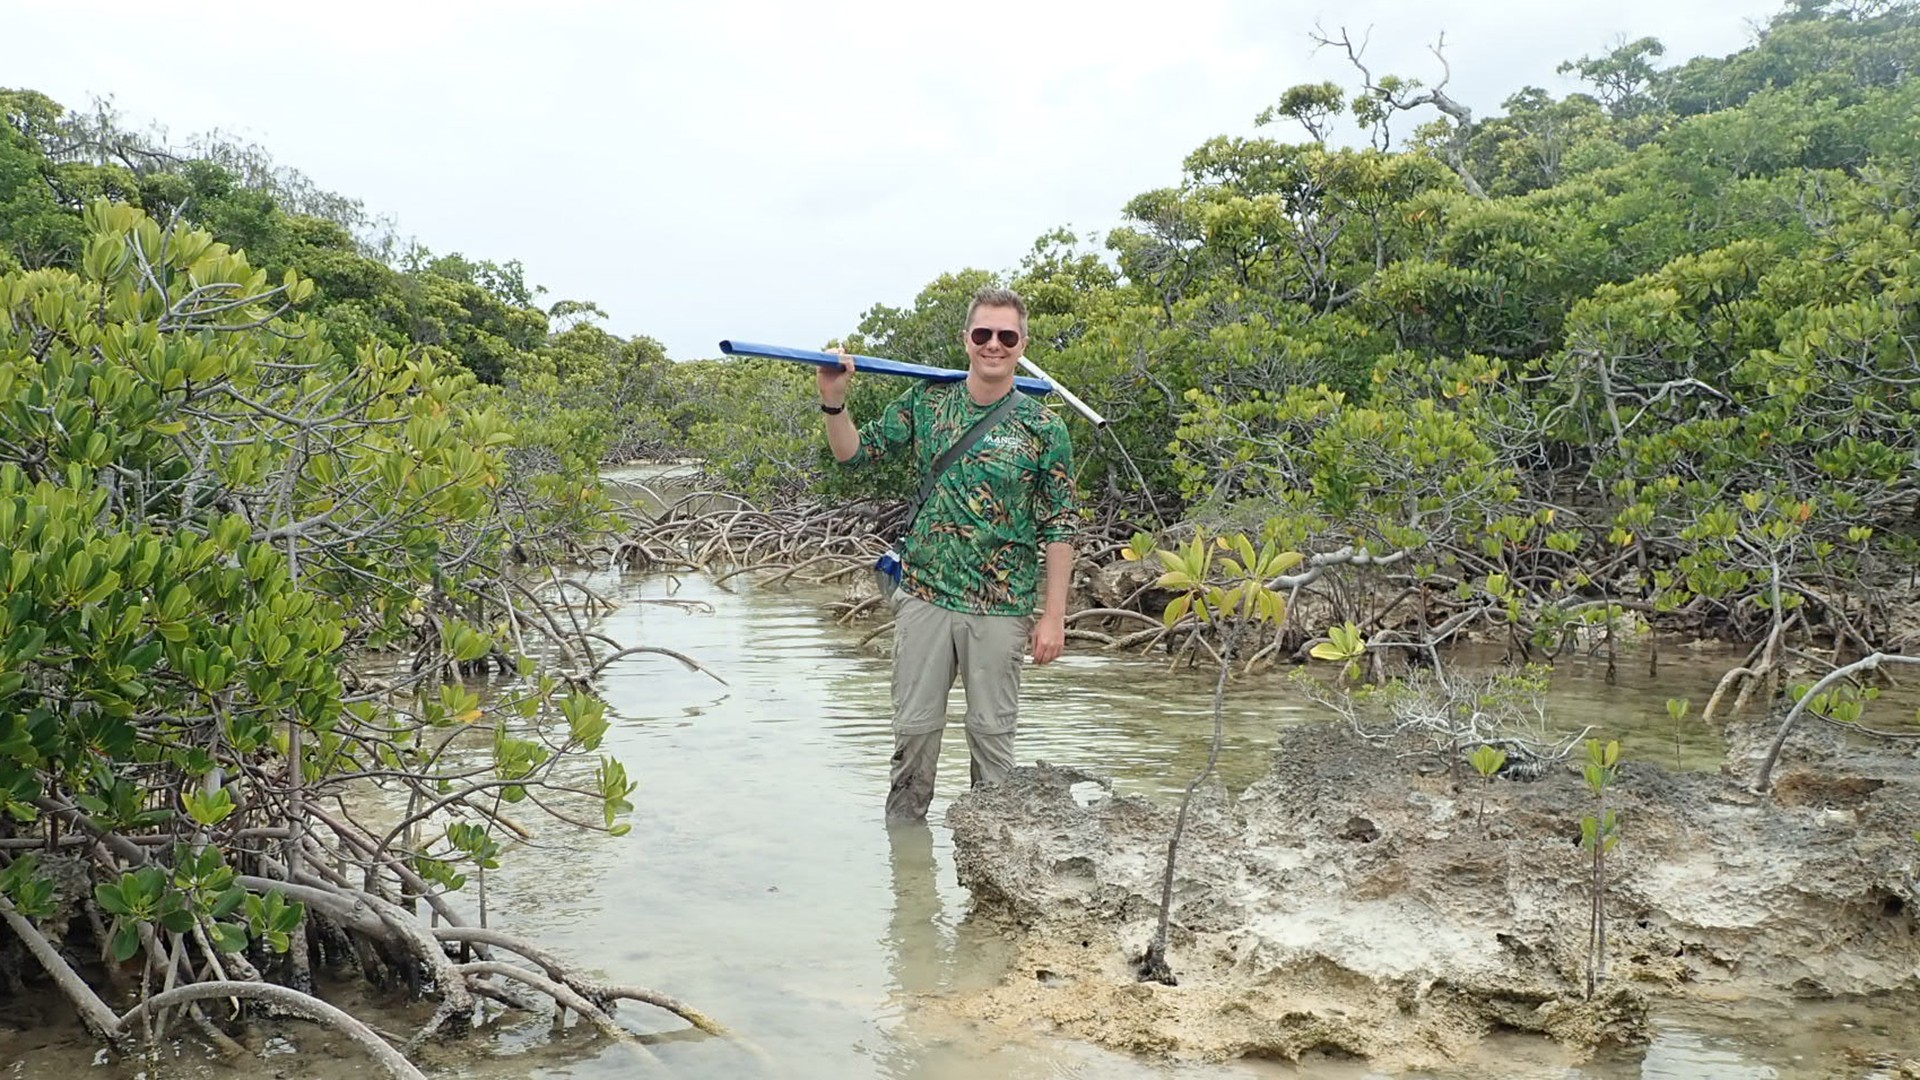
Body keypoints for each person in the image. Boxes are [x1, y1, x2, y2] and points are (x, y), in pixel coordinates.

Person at [818, 287, 1077, 824]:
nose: (993, 345)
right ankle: (909, 884)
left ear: (1022, 344)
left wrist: (1054, 617)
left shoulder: (1044, 427)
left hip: (1003, 609)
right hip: (925, 599)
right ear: (966, 339)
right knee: (914, 739)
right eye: (983, 334)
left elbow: (1060, 526)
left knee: (992, 745)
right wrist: (834, 400)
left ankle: (997, 865)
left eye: (1007, 337)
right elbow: (853, 455)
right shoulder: (927, 402)